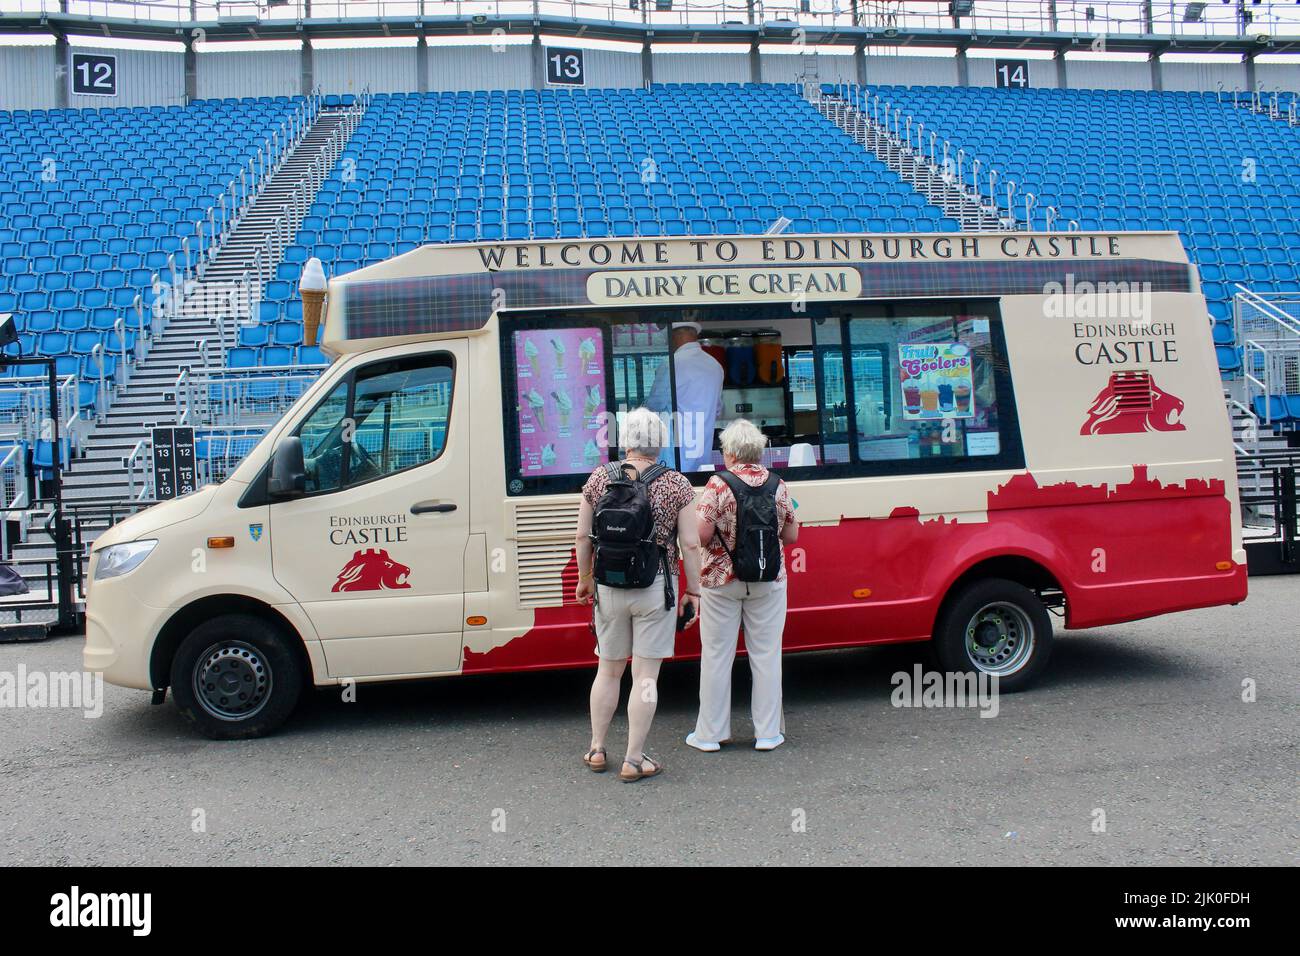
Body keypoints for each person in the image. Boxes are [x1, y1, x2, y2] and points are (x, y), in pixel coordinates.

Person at [574, 407, 702, 782]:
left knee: (608, 670)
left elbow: (582, 536)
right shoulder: (676, 483)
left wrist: (584, 577)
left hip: (608, 584)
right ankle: (633, 759)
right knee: (645, 676)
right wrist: (693, 590)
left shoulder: (599, 478)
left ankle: (597, 748)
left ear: (626, 440)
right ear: (659, 442)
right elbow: (691, 544)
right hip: (655, 587)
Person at [687, 419, 799, 753]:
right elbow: (791, 536)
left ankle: (710, 735)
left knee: (717, 656)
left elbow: (701, 536)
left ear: (732, 452)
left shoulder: (717, 485)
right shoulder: (779, 485)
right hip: (768, 580)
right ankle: (767, 733)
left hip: (721, 581)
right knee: (766, 654)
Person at [644, 318, 724, 472]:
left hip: (675, 457)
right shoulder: (715, 365)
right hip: (702, 454)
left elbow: (655, 404)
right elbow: (718, 409)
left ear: (674, 337)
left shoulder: (671, 363)